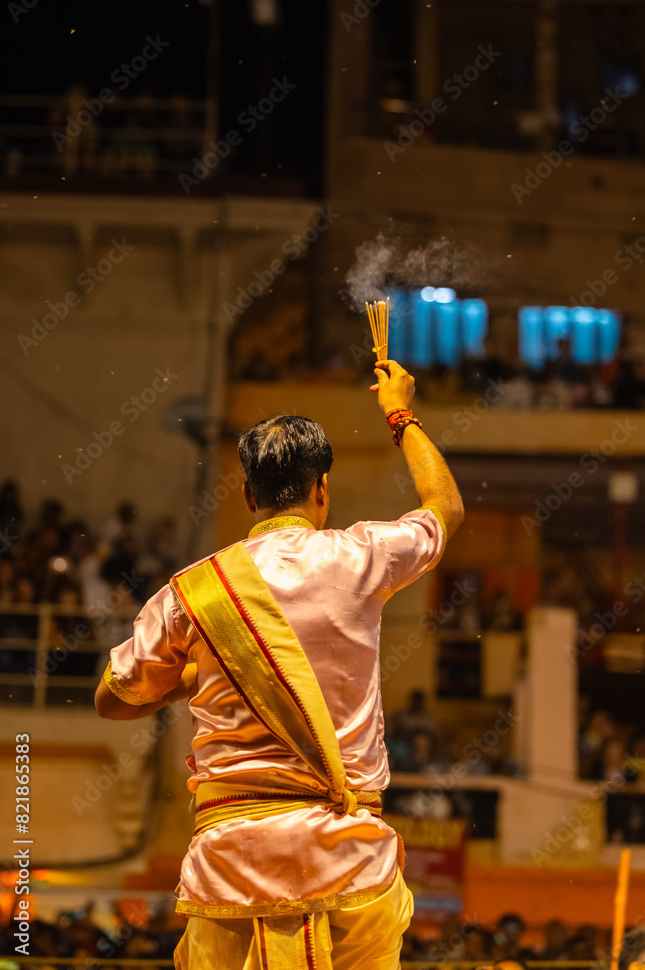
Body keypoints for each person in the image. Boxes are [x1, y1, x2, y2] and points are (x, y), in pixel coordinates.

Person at [94, 358, 465, 970]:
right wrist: (399, 413)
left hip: (229, 868)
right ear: (322, 490)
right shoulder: (363, 556)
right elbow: (444, 509)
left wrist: (194, 673)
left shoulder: (195, 591)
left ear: (246, 496)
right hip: (349, 867)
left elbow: (114, 699)